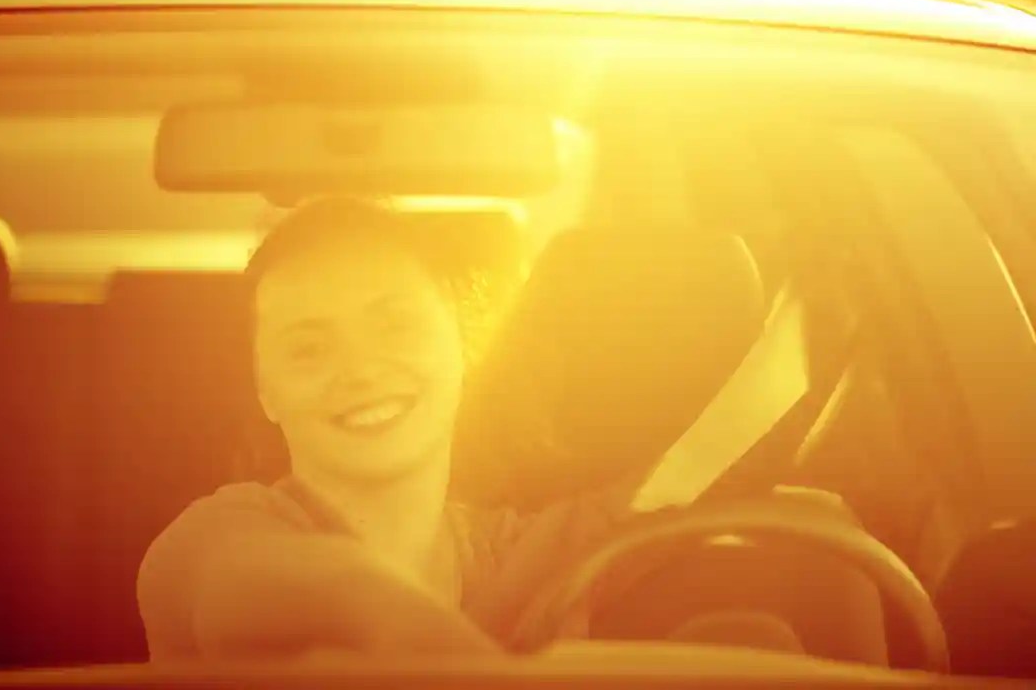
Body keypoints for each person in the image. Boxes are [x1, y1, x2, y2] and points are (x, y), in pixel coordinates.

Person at [137, 196, 887, 660]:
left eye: (394, 324)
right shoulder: (214, 540)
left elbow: (692, 473)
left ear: (463, 344)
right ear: (266, 389)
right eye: (308, 347)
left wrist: (835, 296)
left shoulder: (525, 553)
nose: (361, 369)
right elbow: (341, 594)